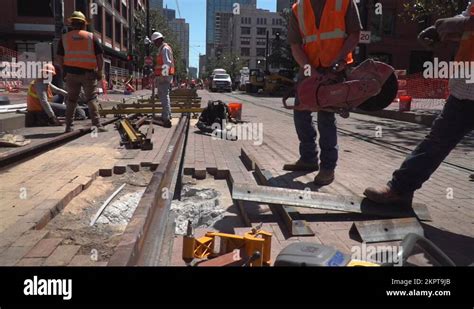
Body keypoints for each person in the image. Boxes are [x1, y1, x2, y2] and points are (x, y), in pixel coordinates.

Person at [364, 4, 474, 204]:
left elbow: (467, 22)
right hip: (467, 86)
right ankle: (399, 190)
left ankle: (400, 189)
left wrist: (463, 23)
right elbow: (468, 17)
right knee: (437, 141)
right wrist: (444, 31)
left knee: (437, 140)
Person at [284, 0, 362, 186]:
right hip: (309, 68)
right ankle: (308, 158)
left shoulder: (344, 3)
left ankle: (327, 167)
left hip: (335, 68)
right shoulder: (299, 8)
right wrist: (310, 70)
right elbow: (295, 46)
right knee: (300, 112)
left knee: (326, 117)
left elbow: (354, 34)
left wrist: (340, 60)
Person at [56, 11, 107, 133]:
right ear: (84, 24)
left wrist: (64, 71)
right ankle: (97, 125)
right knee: (91, 99)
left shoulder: (64, 38)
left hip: (71, 74)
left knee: (71, 100)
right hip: (88, 74)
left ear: (72, 24)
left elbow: (60, 58)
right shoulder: (91, 37)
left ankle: (69, 126)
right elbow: (100, 57)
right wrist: (100, 71)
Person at [151, 31, 175, 128]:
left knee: (164, 96)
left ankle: (166, 116)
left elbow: (167, 63)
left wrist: (163, 76)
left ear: (159, 40)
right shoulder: (163, 49)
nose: (154, 44)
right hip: (163, 75)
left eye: (155, 42)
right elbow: (162, 64)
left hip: (164, 76)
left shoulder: (164, 49)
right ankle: (167, 114)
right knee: (163, 95)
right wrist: (155, 73)